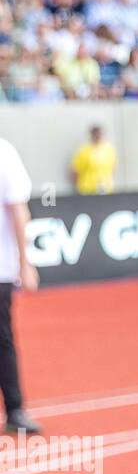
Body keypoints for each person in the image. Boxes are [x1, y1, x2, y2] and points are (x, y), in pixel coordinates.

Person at [0, 137, 38, 434]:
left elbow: (18, 210)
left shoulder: (5, 152)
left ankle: (15, 409)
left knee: (2, 340)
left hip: (0, 267)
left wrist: (25, 263)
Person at [69, 124, 116, 195]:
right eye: (96, 134)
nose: (98, 136)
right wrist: (79, 189)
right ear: (91, 135)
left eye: (100, 134)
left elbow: (112, 168)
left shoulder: (109, 149)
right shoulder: (84, 151)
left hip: (106, 189)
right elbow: (75, 171)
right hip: (88, 190)